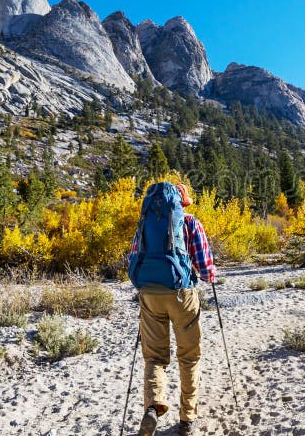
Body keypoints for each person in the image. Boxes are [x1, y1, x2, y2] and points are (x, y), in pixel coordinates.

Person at [129, 183, 215, 436]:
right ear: (183, 202)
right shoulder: (189, 223)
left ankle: (153, 408)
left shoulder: (144, 224)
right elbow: (204, 265)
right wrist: (210, 276)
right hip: (182, 295)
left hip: (150, 295)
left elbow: (134, 256)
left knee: (154, 357)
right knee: (189, 357)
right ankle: (187, 419)